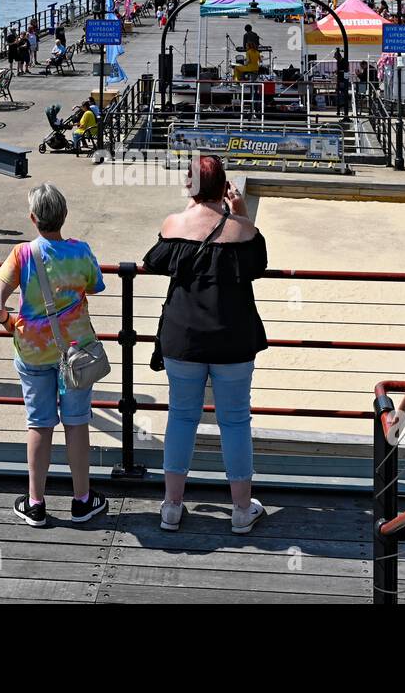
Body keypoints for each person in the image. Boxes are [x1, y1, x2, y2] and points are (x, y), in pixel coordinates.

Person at [143, 155, 268, 534]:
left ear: (189, 186)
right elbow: (258, 264)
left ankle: (172, 507)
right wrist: (240, 211)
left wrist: (190, 208)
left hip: (183, 338)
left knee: (182, 417)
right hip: (233, 338)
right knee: (235, 421)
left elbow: (153, 262)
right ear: (224, 187)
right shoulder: (243, 230)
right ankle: (242, 510)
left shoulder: (174, 224)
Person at [0, 183, 108, 528]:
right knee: (76, 420)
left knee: (39, 422)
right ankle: (82, 500)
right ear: (64, 215)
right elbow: (95, 285)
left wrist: (11, 324)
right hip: (77, 351)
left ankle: (36, 503)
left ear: (33, 218)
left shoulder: (21, 254)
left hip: (33, 350)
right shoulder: (81, 250)